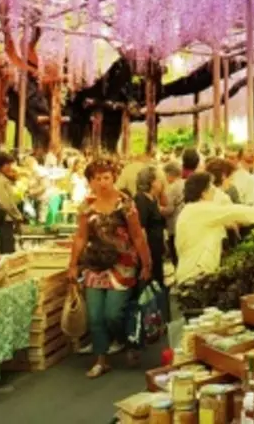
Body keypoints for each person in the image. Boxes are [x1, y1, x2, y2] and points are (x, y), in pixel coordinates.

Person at [67, 160, 151, 378]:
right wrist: (73, 264)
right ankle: (101, 359)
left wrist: (146, 263)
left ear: (113, 177)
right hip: (95, 265)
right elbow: (81, 237)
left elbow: (137, 236)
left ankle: (126, 340)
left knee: (113, 313)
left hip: (122, 264)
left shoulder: (125, 204)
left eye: (106, 177)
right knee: (95, 315)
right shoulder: (86, 207)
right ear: (90, 182)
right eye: (97, 178)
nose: (102, 182)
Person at [175, 173, 254, 284]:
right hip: (195, 274)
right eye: (211, 189)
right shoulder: (200, 209)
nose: (214, 192)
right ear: (203, 193)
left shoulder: (191, 210)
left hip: (191, 272)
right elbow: (232, 211)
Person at [134, 166, 168, 295]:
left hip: (156, 248)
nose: (162, 183)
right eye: (159, 180)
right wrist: (146, 256)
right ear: (152, 182)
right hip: (149, 249)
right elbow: (141, 229)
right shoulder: (141, 199)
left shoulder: (153, 199)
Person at [0, 151, 25, 254]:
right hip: (5, 217)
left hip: (2, 216)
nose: (9, 167)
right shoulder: (0, 180)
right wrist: (18, 216)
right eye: (6, 164)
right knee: (7, 245)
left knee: (5, 243)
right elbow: (6, 202)